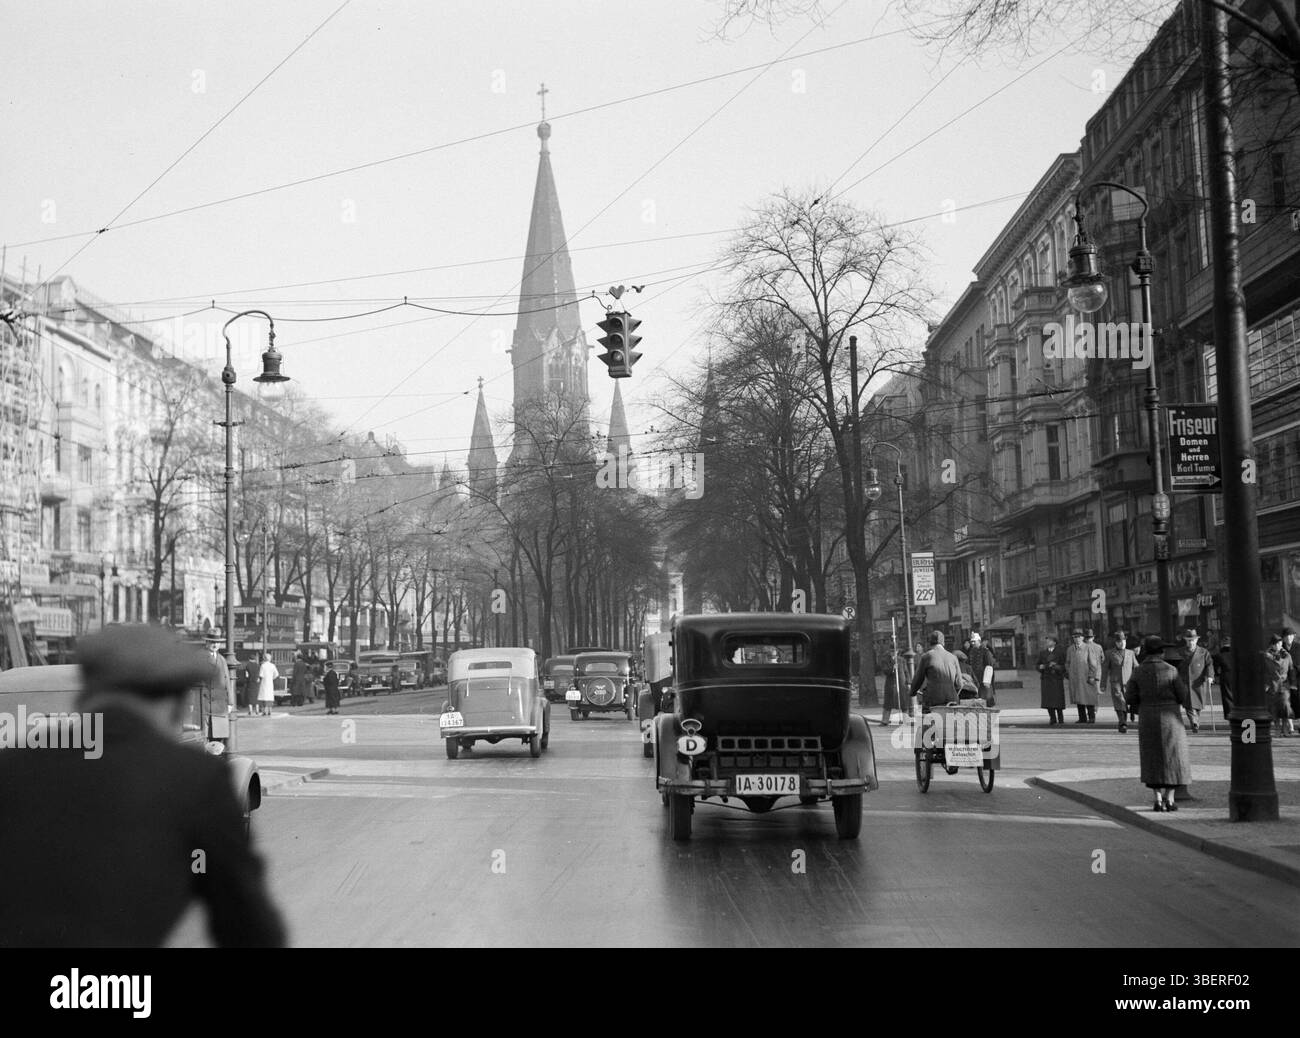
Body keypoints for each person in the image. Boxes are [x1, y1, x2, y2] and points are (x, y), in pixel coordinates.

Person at [0, 624, 287, 947]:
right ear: (174, 702)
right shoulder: (196, 779)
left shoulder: (13, 766)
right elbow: (248, 925)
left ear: (88, 692)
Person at [1125, 634, 1192, 812]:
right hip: (1171, 719)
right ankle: (1170, 799)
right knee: (1174, 757)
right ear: (1161, 652)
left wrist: (1142, 703)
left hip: (1147, 718)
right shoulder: (1171, 670)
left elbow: (1129, 696)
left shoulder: (1138, 671)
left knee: (1152, 758)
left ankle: (1157, 799)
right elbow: (1182, 695)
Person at [908, 630, 964, 711]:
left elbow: (918, 679)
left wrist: (912, 692)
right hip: (951, 700)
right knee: (950, 722)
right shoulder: (953, 657)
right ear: (943, 643)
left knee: (929, 721)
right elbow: (960, 684)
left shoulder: (926, 657)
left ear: (930, 643)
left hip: (932, 700)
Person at [1177, 628, 1214, 732]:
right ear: (1186, 640)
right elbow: (1176, 667)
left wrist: (1210, 676)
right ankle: (1194, 722)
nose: (1191, 642)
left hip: (1199, 682)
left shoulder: (1203, 652)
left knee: (1198, 705)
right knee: (1189, 705)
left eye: (1193, 640)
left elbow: (1209, 665)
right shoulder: (1180, 652)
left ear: (1196, 640)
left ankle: (1196, 720)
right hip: (1185, 682)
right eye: (1189, 640)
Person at [1103, 631, 1137, 733]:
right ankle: (1122, 723)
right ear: (1115, 643)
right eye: (1119, 642)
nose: (1121, 643)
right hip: (1116, 682)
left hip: (1129, 682)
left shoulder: (1130, 653)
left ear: (1125, 641)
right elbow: (1104, 669)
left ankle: (1128, 716)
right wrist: (1102, 684)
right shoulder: (1109, 653)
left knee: (1126, 702)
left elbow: (1136, 667)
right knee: (1119, 701)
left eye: (1123, 641)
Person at [1065, 629, 1100, 723]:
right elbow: (1067, 662)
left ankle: (1091, 717)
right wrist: (1069, 672)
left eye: (1079, 636)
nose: (1077, 639)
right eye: (1075, 637)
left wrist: (1091, 676)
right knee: (1078, 698)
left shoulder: (1088, 648)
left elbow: (1093, 664)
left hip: (1086, 677)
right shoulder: (1070, 649)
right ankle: (1082, 717)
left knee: (1089, 697)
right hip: (1075, 677)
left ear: (1083, 637)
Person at [1263, 633, 1294, 737]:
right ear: (1271, 645)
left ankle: (1285, 727)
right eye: (1275, 643)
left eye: (1280, 643)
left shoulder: (1287, 655)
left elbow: (1291, 670)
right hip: (1272, 685)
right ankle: (1277, 728)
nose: (1278, 645)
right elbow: (1261, 671)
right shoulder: (1266, 656)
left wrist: (1293, 684)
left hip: (1284, 685)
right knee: (1274, 708)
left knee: (1285, 706)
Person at [1037, 634, 1067, 725]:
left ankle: (1060, 718)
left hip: (1056, 679)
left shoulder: (1060, 652)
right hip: (1046, 679)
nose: (1047, 642)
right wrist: (1040, 667)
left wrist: (1056, 666)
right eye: (1046, 641)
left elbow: (1064, 666)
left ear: (1054, 642)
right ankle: (1052, 718)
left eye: (1049, 640)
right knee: (1048, 701)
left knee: (1058, 700)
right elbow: (1037, 665)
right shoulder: (1043, 653)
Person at [967, 631, 997, 707]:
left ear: (979, 641)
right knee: (978, 700)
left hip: (984, 679)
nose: (972, 643)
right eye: (971, 642)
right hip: (974, 679)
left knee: (986, 698)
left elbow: (989, 666)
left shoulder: (985, 651)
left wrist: (987, 681)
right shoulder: (971, 651)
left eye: (974, 641)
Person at [1210, 634, 1234, 718]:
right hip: (1236, 676)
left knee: (1227, 696)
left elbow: (1216, 668)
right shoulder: (1236, 654)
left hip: (1225, 676)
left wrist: (1216, 674)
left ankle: (1229, 714)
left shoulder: (1219, 655)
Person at [1282, 627, 1300, 722]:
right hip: (1285, 680)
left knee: (1297, 701)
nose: (1289, 638)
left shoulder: (1298, 647)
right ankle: (1290, 726)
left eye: (1291, 635)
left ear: (1294, 636)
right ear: (1283, 638)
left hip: (1297, 679)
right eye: (1286, 636)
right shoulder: (1280, 649)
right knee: (1286, 703)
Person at [256, 652, 278, 716]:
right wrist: (272, 678)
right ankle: (270, 711)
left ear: (264, 658)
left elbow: (261, 675)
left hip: (264, 682)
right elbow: (276, 674)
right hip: (270, 683)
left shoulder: (263, 665)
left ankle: (264, 711)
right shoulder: (272, 665)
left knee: (264, 698)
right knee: (270, 697)